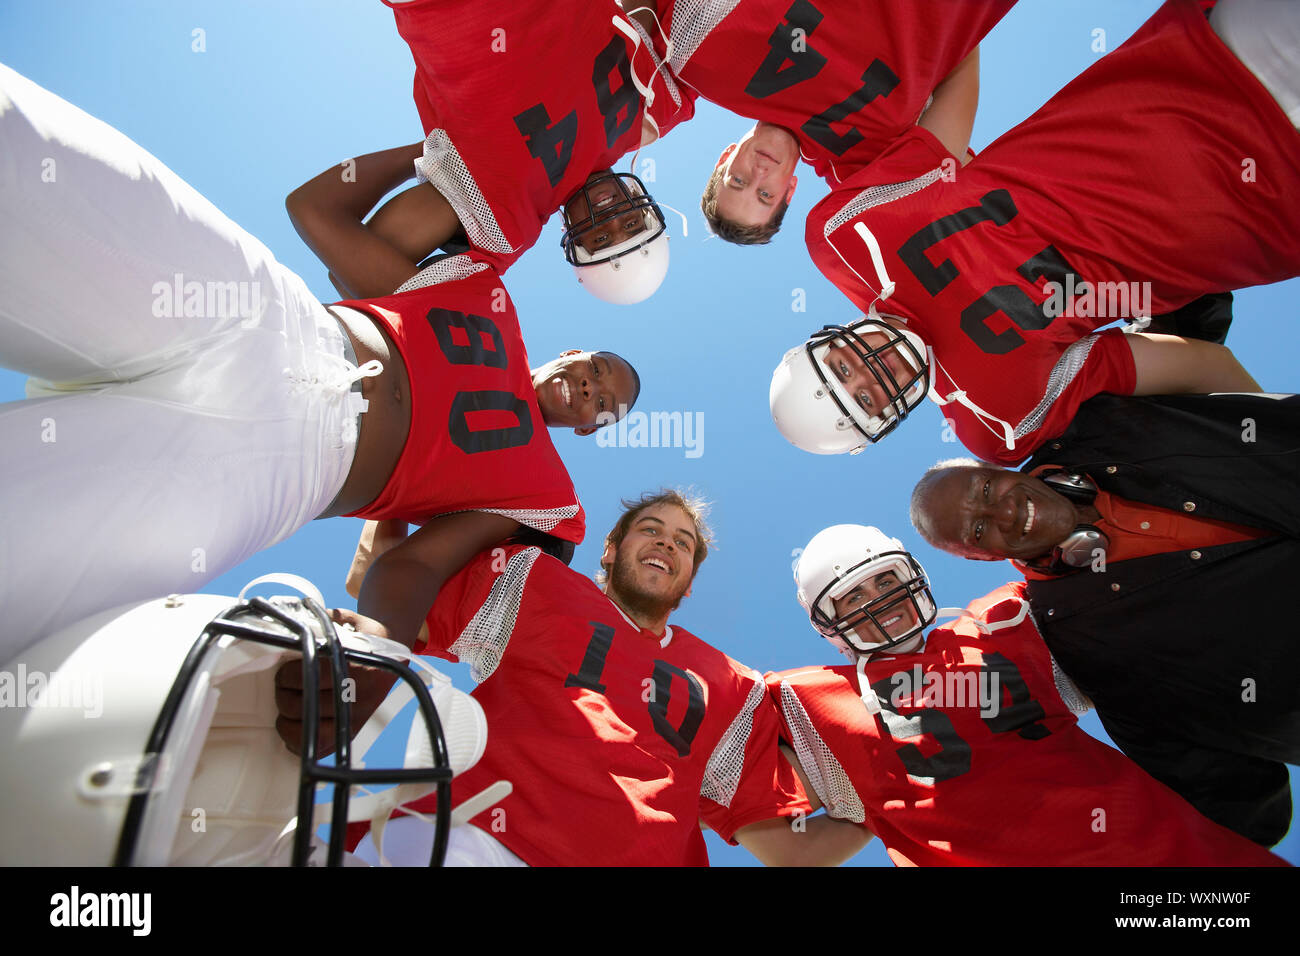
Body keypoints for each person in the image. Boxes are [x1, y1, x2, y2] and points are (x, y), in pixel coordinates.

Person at [0, 63, 638, 661]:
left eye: (605, 405)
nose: (592, 389)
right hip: (266, 319)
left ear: (590, 429)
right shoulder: (486, 297)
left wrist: (382, 647)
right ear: (573, 353)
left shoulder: (543, 493)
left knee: (24, 557)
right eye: (599, 369)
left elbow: (410, 567)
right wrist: (432, 154)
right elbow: (316, 209)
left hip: (285, 468)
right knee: (28, 158)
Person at [770, 0, 1300, 464]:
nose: (874, 373)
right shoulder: (998, 424)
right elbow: (1205, 363)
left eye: (841, 368)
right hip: (1271, 215)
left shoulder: (846, 237)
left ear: (820, 342)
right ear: (886, 423)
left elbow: (953, 70)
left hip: (1212, 71)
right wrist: (1282, 457)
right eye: (865, 401)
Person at [288, 490, 867, 865]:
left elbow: (788, 850)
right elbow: (383, 582)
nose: (667, 540)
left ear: (689, 583)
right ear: (610, 552)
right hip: (471, 837)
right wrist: (401, 489)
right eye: (650, 528)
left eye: (684, 542)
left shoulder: (734, 686)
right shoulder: (535, 581)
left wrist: (890, 807)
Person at [908, 391, 1300, 847]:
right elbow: (1237, 810)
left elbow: (1187, 327)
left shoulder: (1094, 418)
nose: (1005, 511)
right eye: (979, 528)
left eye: (986, 490)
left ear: (998, 467)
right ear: (983, 556)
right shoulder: (1087, 649)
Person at [764, 523, 1287, 865]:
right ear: (829, 627)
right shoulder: (811, 699)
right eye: (853, 596)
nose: (877, 601)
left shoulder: (1002, 621)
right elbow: (714, 768)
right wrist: (867, 808)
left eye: (883, 581)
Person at [330, 0, 696, 305]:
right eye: (630, 226)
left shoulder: (508, 224)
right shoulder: (654, 113)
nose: (611, 219)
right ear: (643, 206)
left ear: (575, 239)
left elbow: (349, 265)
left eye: (602, 239)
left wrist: (424, 153)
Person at [650, 0, 1011, 242]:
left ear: (725, 156)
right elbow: (948, 159)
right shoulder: (860, 168)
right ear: (789, 190)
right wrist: (955, 24)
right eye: (764, 194)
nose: (758, 173)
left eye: (738, 180)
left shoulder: (700, 60)